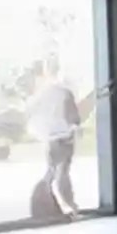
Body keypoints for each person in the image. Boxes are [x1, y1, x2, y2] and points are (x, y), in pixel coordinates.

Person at [26, 57, 82, 218]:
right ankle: (70, 205)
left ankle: (48, 203)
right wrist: (74, 129)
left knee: (52, 170)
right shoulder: (65, 91)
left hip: (50, 137)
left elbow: (31, 113)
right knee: (62, 172)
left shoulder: (42, 93)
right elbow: (73, 117)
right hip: (64, 136)